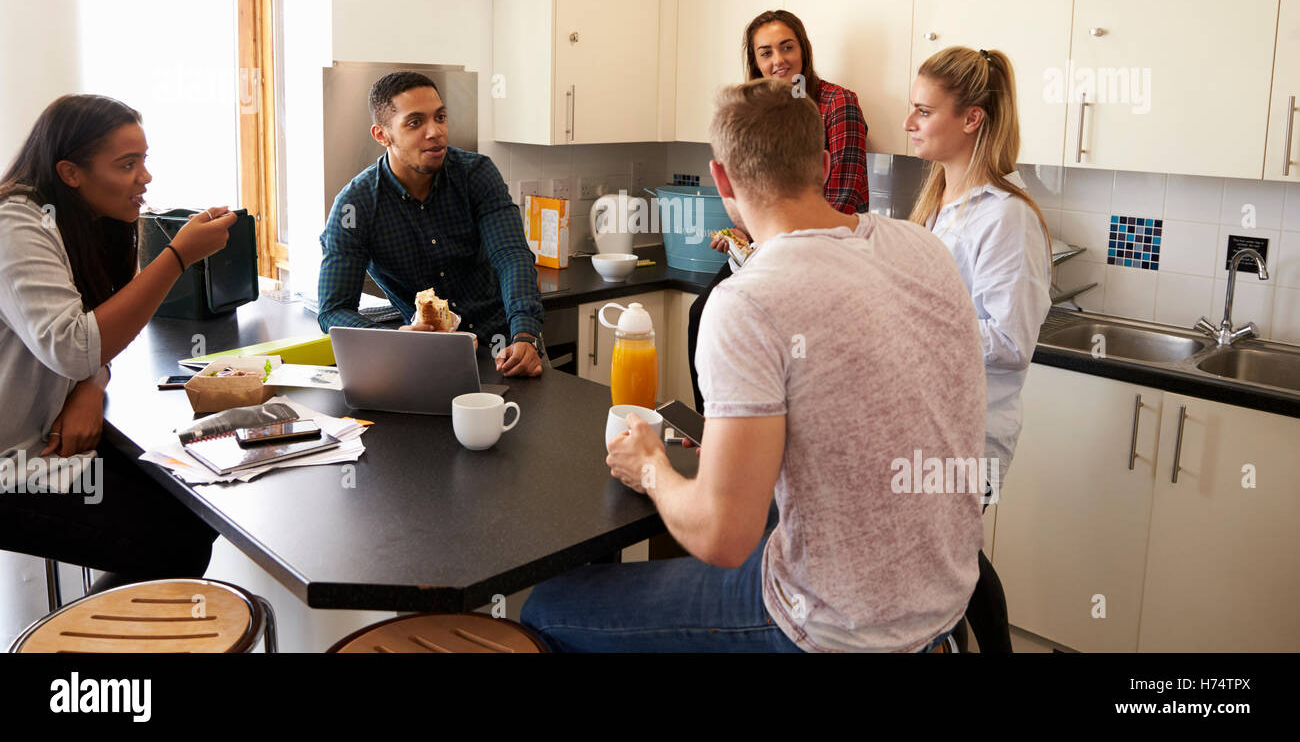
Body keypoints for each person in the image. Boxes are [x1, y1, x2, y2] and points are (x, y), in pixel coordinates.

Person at [521, 78, 987, 652]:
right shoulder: (923, 248)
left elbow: (724, 537)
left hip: (833, 626)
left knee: (548, 606)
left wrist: (649, 468)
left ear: (721, 179)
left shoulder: (748, 301)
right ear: (820, 162)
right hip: (945, 602)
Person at [0, 94, 237, 593]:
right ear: (70, 172)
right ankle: (84, 647)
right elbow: (73, 344)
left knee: (192, 507)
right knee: (173, 539)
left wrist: (89, 384)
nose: (144, 178)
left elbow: (93, 338)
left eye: (144, 161)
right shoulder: (17, 225)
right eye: (127, 165)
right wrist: (176, 258)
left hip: (42, 444)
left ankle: (97, 634)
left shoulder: (86, 219)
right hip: (9, 463)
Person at [905, 47, 1053, 654]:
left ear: (972, 119)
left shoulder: (1006, 218)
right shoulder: (940, 200)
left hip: (971, 431)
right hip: (931, 421)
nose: (910, 122)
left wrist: (913, 323)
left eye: (923, 111)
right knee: (951, 563)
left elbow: (1012, 342)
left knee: (952, 565)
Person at [687, 9, 870, 413]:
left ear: (803, 51)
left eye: (787, 47)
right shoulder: (755, 115)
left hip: (824, 253)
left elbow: (841, 198)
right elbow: (755, 197)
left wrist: (770, 244)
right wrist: (743, 241)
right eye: (765, 52)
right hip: (766, 249)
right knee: (703, 312)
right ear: (755, 62)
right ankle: (713, 428)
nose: (778, 60)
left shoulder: (837, 104)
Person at [316, 71, 545, 377]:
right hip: (427, 361)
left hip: (507, 348)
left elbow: (511, 256)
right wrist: (395, 340)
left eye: (440, 117)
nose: (435, 131)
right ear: (382, 135)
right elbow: (333, 310)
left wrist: (525, 334)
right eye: (415, 122)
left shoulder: (476, 174)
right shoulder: (354, 206)